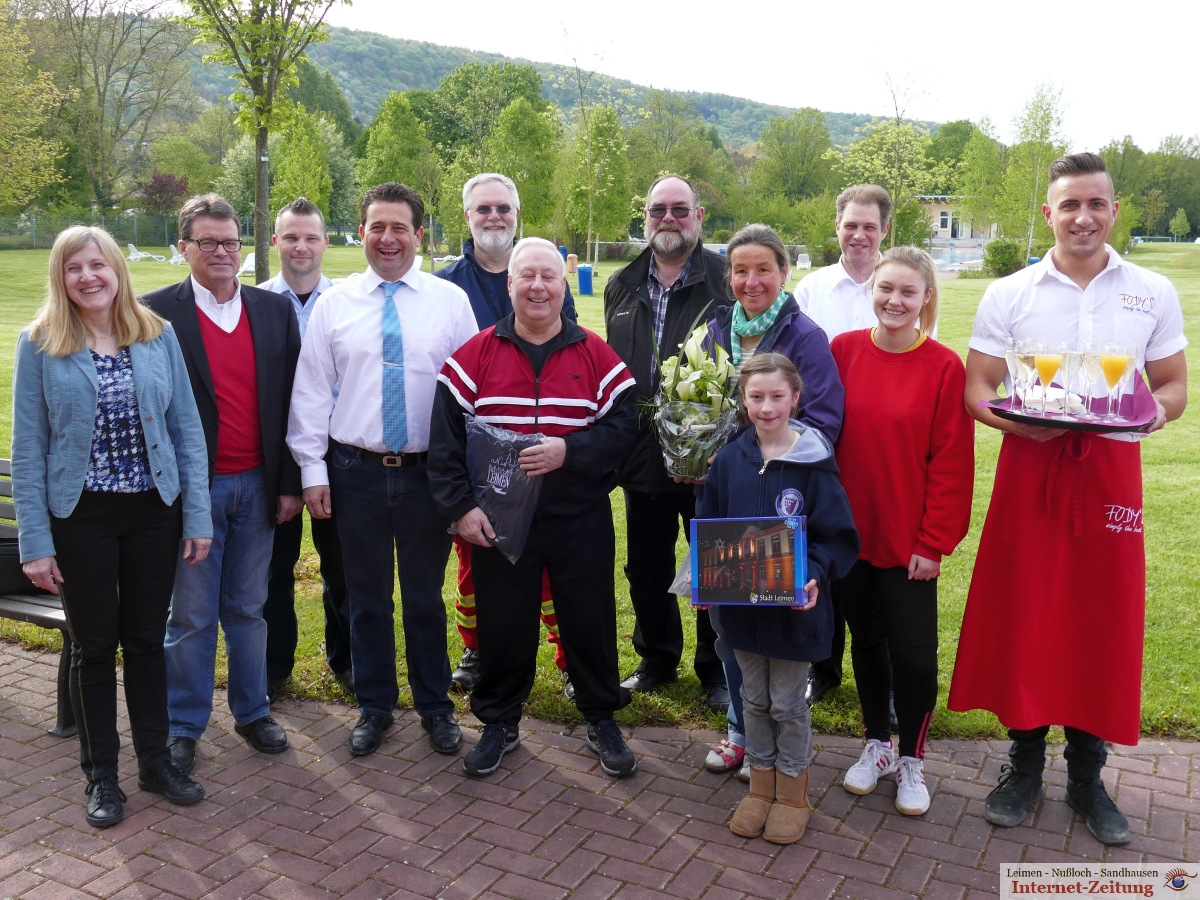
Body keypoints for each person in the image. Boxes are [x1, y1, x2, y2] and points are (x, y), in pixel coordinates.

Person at [949, 153, 1188, 846]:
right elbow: (977, 389)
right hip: (1032, 469)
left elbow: (1173, 384)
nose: (1082, 216)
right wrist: (1011, 421)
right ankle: (1023, 767)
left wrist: (1153, 415)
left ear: (1113, 211)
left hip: (1112, 478)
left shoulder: (1150, 290)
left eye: (1096, 203)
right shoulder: (1011, 292)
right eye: (1069, 205)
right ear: (1048, 213)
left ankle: (1087, 777)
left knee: (1099, 621)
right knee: (1026, 615)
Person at [12, 226, 210, 827]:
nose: (88, 277)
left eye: (98, 265)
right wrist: (35, 543)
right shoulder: (41, 343)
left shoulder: (157, 335)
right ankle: (101, 775)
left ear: (117, 270)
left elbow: (187, 431)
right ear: (60, 277)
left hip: (154, 510)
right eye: (74, 269)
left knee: (147, 642)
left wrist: (196, 514)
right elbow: (28, 449)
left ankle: (155, 762)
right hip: (81, 516)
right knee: (95, 648)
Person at [429, 237, 640, 777]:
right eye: (528, 276)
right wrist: (460, 510)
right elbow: (445, 442)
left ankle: (600, 716)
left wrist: (571, 451)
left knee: (589, 620)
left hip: (578, 518)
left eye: (549, 276)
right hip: (499, 522)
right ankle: (499, 722)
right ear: (510, 284)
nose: (538, 287)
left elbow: (625, 428)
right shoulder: (475, 355)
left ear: (564, 284)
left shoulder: (595, 354)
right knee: (504, 624)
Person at [288, 182, 477, 758]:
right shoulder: (335, 304)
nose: (388, 239)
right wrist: (312, 471)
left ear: (419, 234)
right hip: (355, 471)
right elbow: (311, 391)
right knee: (365, 597)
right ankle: (373, 706)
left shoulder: (449, 303)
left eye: (400, 228)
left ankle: (435, 708)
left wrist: (466, 483)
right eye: (377, 227)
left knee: (424, 597)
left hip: (426, 476)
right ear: (362, 233)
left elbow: (474, 397)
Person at [142, 194, 303, 774]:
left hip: (258, 485)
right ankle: (184, 724)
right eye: (206, 242)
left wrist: (288, 483)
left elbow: (290, 405)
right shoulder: (154, 314)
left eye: (230, 241)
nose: (220, 252)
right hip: (193, 494)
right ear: (183, 247)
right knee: (189, 614)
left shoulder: (272, 311)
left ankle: (253, 710)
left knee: (250, 606)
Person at [831, 247, 974, 816]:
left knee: (913, 654)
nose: (894, 300)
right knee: (866, 645)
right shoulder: (842, 352)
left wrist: (933, 542)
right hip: (849, 538)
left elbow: (951, 463)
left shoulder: (943, 367)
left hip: (909, 542)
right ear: (873, 290)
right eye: (886, 289)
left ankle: (912, 756)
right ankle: (877, 745)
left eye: (907, 292)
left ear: (925, 299)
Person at [701, 224, 846, 779]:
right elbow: (699, 399)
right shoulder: (716, 327)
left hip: (782, 499)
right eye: (740, 270)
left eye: (764, 269)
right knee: (734, 621)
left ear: (785, 274)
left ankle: (785, 754)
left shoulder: (804, 335)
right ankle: (743, 733)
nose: (751, 280)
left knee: (776, 629)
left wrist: (762, 450)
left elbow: (826, 419)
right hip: (732, 497)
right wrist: (705, 451)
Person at [697, 353, 859, 844]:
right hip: (743, 614)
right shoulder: (728, 461)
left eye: (776, 396)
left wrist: (811, 573)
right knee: (752, 700)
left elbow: (837, 537)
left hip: (794, 616)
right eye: (755, 397)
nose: (766, 407)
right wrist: (703, 581)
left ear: (795, 397)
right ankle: (760, 789)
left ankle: (792, 792)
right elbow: (712, 527)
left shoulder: (813, 464)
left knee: (787, 704)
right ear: (743, 401)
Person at [435, 173, 575, 694]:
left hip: (542, 450)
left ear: (517, 215)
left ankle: (569, 662)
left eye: (504, 209)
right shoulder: (446, 285)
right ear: (467, 217)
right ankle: (477, 650)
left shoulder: (544, 274)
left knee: (553, 569)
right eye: (483, 209)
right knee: (475, 563)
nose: (494, 218)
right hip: (478, 457)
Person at [603, 173, 731, 709]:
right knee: (648, 565)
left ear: (699, 217)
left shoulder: (727, 280)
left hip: (714, 454)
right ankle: (657, 655)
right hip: (643, 454)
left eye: (681, 209)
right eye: (659, 211)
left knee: (716, 562)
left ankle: (717, 669)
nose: (669, 219)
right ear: (645, 219)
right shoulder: (623, 284)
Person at [792, 183, 894, 708]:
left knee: (878, 556)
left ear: (885, 231)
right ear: (837, 226)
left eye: (869, 226)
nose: (859, 235)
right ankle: (824, 667)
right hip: (820, 442)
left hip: (881, 446)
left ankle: (883, 672)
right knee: (821, 551)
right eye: (850, 224)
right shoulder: (812, 289)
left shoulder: (896, 286)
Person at [259, 197, 352, 701]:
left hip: (337, 460)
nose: (300, 246)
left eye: (310, 237)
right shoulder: (253, 305)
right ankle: (274, 668)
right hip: (273, 465)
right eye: (290, 236)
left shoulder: (346, 304)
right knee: (273, 574)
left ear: (325, 242)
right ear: (275, 241)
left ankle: (347, 662)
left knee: (343, 570)